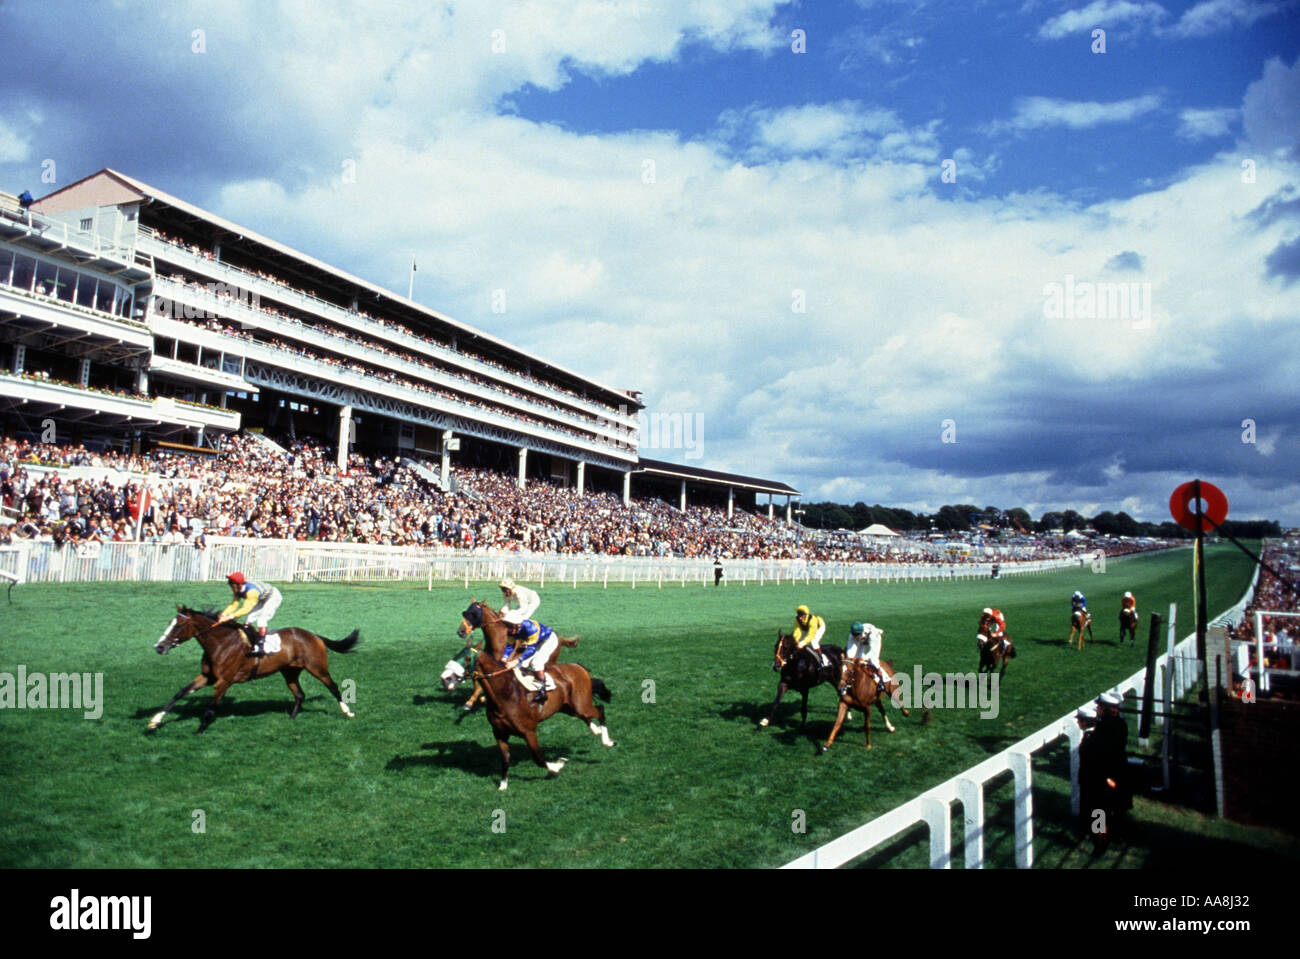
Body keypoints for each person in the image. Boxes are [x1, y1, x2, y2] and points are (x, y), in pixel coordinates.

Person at [1077, 691, 1131, 850]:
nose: (1098, 709)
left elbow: (1103, 753)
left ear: (1105, 708)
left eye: (1099, 706)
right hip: (1118, 770)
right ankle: (1117, 836)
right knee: (1116, 808)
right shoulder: (1120, 723)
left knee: (1099, 809)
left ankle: (1100, 842)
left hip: (1104, 774)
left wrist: (1106, 776)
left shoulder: (1104, 727)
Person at [216, 571, 282, 657]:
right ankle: (248, 641)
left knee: (261, 619)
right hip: (261, 598)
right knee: (248, 620)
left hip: (273, 597)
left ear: (238, 585)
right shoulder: (238, 590)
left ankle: (261, 646)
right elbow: (234, 604)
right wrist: (224, 614)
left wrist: (230, 617)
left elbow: (246, 609)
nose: (230, 587)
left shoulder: (252, 592)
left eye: (232, 584)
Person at [502, 617, 559, 705]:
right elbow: (510, 646)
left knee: (537, 662)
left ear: (518, 625)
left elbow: (531, 649)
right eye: (507, 626)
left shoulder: (530, 628)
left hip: (548, 640)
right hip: (536, 642)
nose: (508, 630)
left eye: (510, 627)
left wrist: (517, 660)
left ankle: (544, 690)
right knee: (521, 666)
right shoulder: (511, 630)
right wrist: (504, 657)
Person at [839, 622, 884, 695]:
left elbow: (872, 652)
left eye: (856, 635)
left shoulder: (873, 635)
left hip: (873, 638)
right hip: (863, 640)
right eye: (854, 635)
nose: (854, 637)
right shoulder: (852, 635)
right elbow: (850, 652)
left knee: (873, 660)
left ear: (861, 633)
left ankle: (881, 681)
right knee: (858, 657)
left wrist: (863, 659)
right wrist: (850, 661)